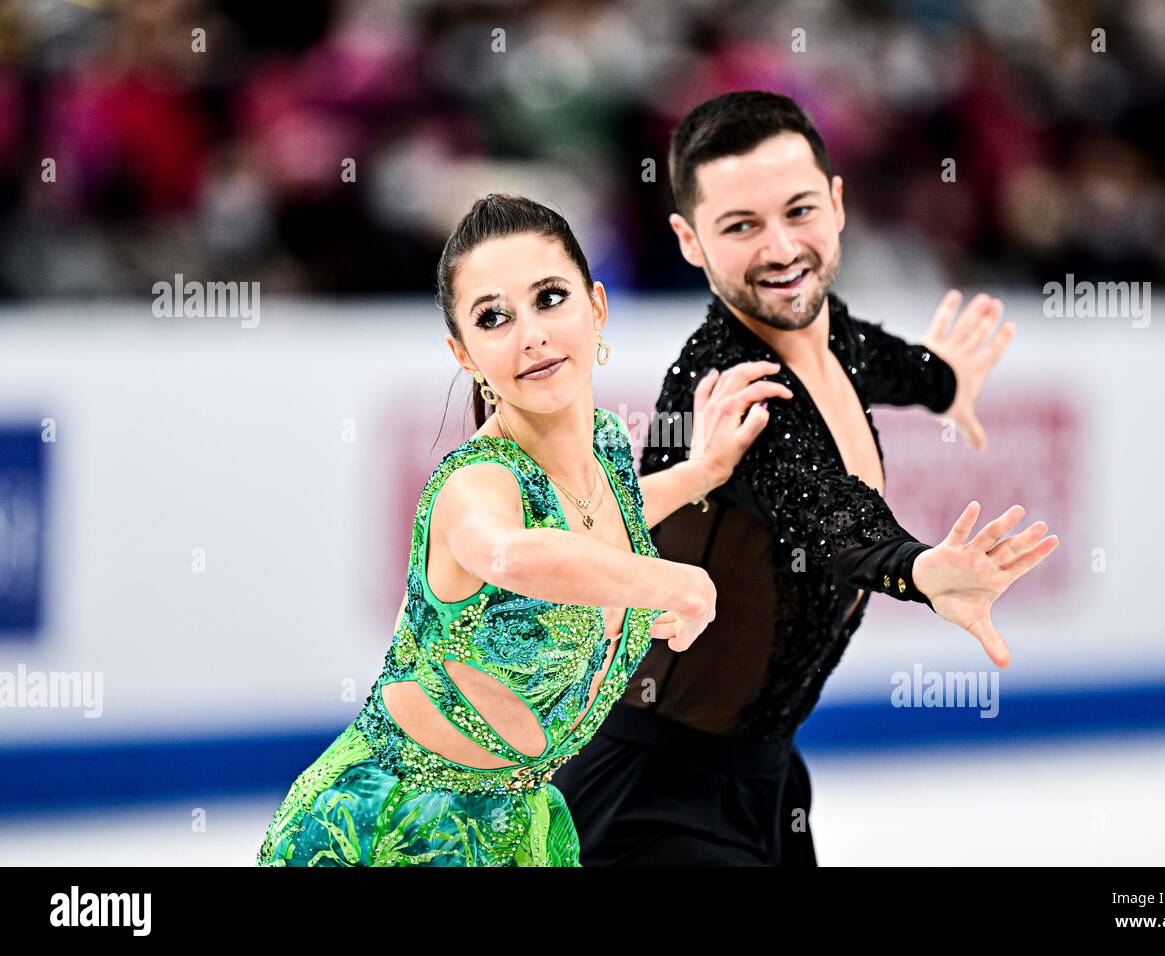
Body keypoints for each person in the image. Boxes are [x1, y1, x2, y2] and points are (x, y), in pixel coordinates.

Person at [552, 91, 1059, 866]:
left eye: (798, 211)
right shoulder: (729, 380)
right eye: (741, 226)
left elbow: (887, 361)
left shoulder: (832, 335)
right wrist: (918, 569)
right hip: (651, 799)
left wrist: (944, 381)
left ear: (838, 202)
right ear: (690, 242)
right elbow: (823, 506)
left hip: (766, 784)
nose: (782, 248)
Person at [255, 193, 788, 866]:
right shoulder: (476, 483)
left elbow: (597, 518)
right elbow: (510, 554)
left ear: (596, 307)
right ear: (464, 352)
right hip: (384, 831)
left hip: (510, 830)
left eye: (549, 298)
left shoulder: (603, 448)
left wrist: (702, 471)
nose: (531, 333)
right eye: (493, 317)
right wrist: (669, 581)